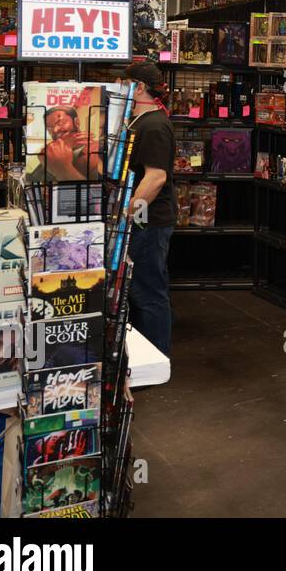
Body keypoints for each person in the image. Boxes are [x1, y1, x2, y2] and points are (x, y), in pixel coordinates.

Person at [122, 60, 177, 357]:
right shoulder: (140, 120)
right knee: (140, 289)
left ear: (139, 87)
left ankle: (156, 357)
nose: (121, 87)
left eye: (125, 82)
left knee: (148, 292)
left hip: (149, 222)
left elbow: (155, 178)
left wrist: (128, 214)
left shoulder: (154, 124)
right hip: (144, 221)